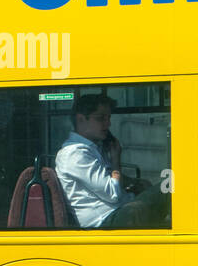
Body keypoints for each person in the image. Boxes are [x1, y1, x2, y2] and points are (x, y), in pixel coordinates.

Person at [54, 94, 168, 229]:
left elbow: (108, 176)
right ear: (81, 119)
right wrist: (115, 159)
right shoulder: (74, 154)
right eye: (101, 118)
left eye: (108, 118)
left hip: (118, 211)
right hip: (106, 221)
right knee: (171, 186)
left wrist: (133, 182)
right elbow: (112, 193)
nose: (108, 124)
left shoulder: (93, 149)